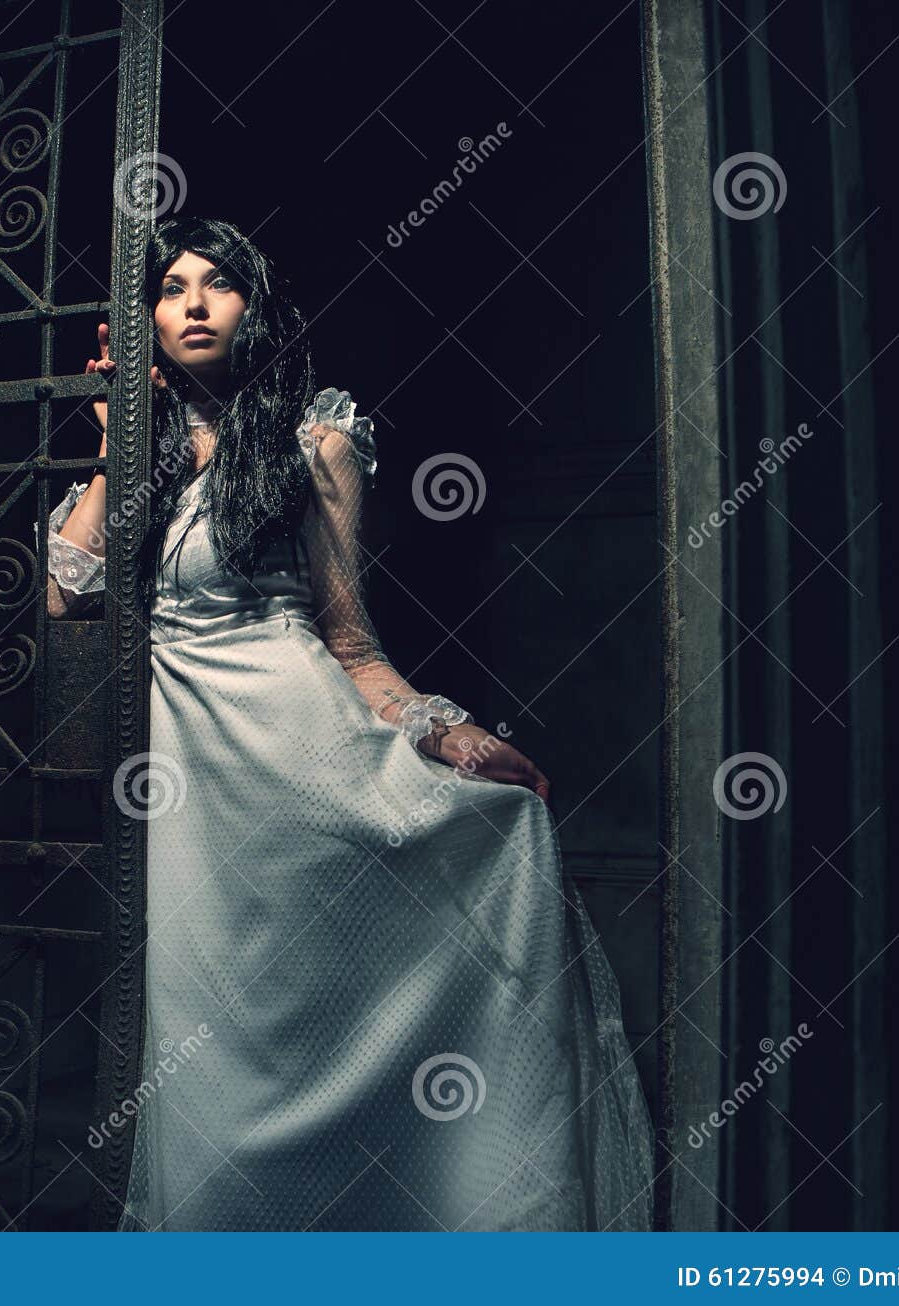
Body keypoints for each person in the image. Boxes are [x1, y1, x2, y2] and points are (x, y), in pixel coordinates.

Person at [45, 216, 654, 1230]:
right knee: (216, 1058)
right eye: (171, 288)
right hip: (197, 794)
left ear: (259, 308)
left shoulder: (315, 441)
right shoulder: (146, 453)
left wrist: (443, 729)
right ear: (145, 319)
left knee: (348, 1002)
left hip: (305, 759)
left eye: (220, 285)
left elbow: (351, 642)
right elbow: (70, 595)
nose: (192, 304)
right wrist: (117, 433)